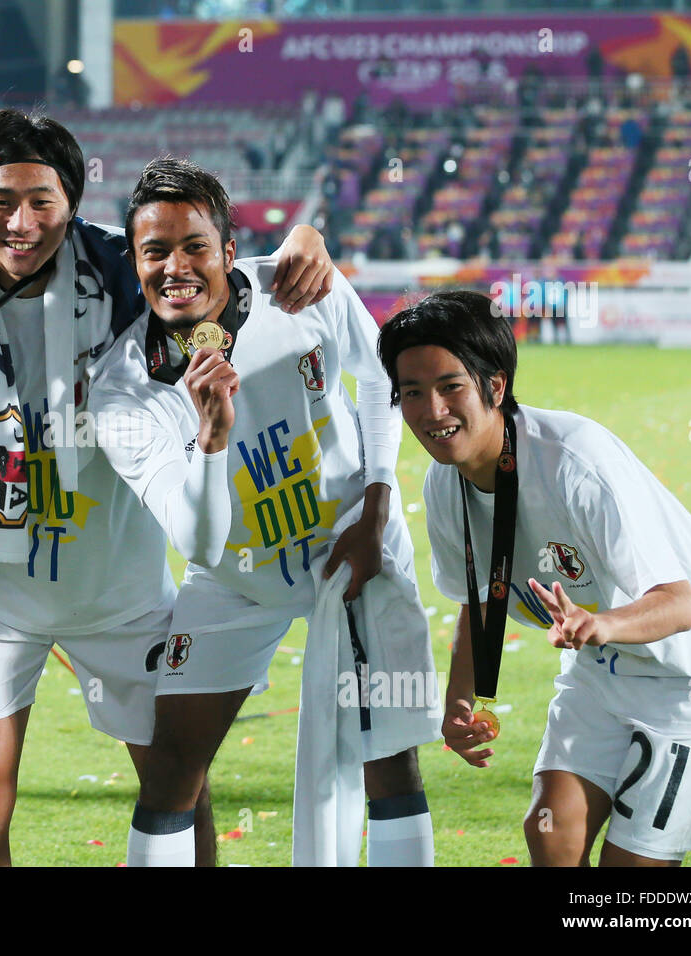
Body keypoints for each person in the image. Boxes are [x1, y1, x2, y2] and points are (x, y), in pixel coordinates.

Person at [0, 109, 334, 866]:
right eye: (1, 202)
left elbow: (210, 273)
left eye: (42, 200)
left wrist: (304, 242)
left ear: (74, 201)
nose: (22, 222)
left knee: (178, 786)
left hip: (124, 591)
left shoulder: (126, 270)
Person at [89, 159, 438, 866]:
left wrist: (375, 509)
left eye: (194, 246)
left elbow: (378, 380)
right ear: (135, 261)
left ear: (227, 250)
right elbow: (200, 543)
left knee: (386, 756)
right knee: (170, 767)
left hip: (353, 544)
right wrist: (212, 445)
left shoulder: (297, 289)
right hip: (234, 581)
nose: (176, 266)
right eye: (155, 251)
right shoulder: (120, 393)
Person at [378, 291, 691, 866]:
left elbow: (679, 604)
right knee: (551, 835)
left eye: (451, 386)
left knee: (630, 870)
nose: (431, 411)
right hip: (599, 670)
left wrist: (597, 622)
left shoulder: (576, 461)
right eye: (412, 393)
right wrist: (458, 699)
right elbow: (482, 604)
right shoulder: (443, 483)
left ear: (494, 388)